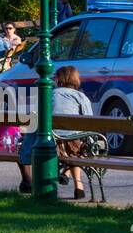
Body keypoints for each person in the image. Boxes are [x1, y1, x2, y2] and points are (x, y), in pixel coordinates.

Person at [17, 65, 93, 198]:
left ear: (58, 80)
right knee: (76, 145)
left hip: (46, 142)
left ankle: (28, 181)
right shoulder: (80, 97)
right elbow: (89, 121)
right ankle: (78, 185)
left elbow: (33, 116)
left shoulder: (47, 95)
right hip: (70, 145)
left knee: (27, 143)